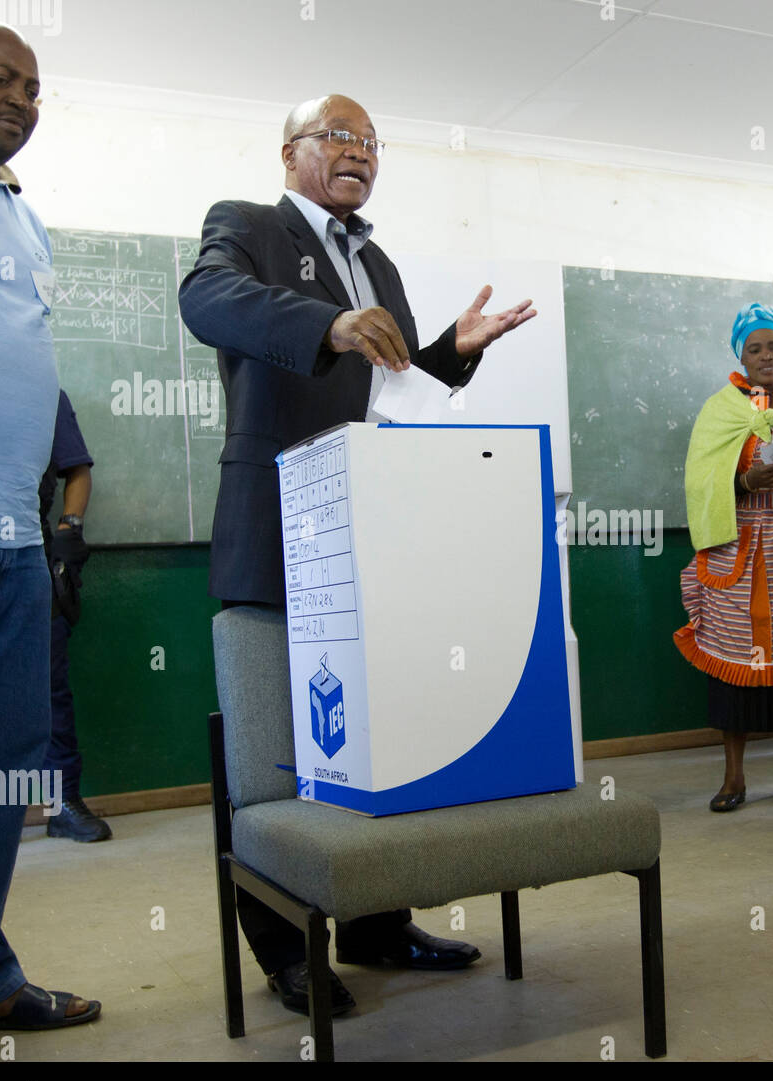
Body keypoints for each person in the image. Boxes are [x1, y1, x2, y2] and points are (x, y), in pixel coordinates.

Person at [179, 93, 535, 1016]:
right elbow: (206, 300)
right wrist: (328, 324)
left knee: (377, 733)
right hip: (277, 526)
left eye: (371, 143)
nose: (359, 153)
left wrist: (449, 354)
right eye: (338, 137)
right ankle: (288, 948)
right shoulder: (246, 225)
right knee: (275, 752)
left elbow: (391, 381)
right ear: (291, 152)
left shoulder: (375, 258)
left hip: (374, 535)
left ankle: (378, 925)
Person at [0, 21, 101, 1036]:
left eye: (34, 88)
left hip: (10, 542)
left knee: (1, 764)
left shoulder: (20, 215)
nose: (21, 99)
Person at [674, 303, 773, 812]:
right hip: (735, 551)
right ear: (740, 353)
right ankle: (733, 778)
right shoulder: (721, 407)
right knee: (732, 665)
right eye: (755, 348)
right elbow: (699, 477)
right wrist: (744, 481)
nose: (765, 356)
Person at [40, 389, 113, 843]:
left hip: (29, 546)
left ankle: (61, 802)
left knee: (49, 684)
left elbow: (77, 469)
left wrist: (70, 530)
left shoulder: (43, 388)